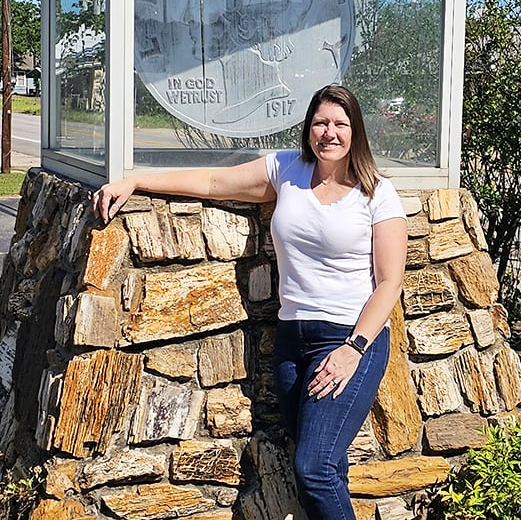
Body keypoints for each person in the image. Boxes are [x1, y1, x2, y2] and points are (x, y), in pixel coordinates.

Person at [93, 84, 407, 520]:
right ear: (308, 128)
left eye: (340, 123)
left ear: (356, 131)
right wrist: (136, 179)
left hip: (349, 341)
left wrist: (353, 349)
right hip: (292, 342)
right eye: (320, 123)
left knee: (312, 469)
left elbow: (389, 283)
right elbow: (213, 181)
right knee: (327, 466)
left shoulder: (377, 194)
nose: (329, 133)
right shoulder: (286, 170)